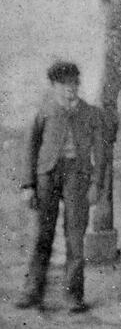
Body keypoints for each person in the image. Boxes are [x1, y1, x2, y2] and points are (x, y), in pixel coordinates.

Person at [18, 61, 110, 313]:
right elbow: (30, 147)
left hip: (77, 177)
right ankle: (32, 291)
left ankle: (73, 296)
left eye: (73, 84)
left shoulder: (91, 114)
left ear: (78, 85)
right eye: (63, 85)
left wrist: (96, 185)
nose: (69, 90)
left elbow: (101, 154)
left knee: (75, 236)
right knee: (43, 235)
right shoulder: (45, 111)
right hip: (47, 175)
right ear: (54, 86)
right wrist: (28, 185)